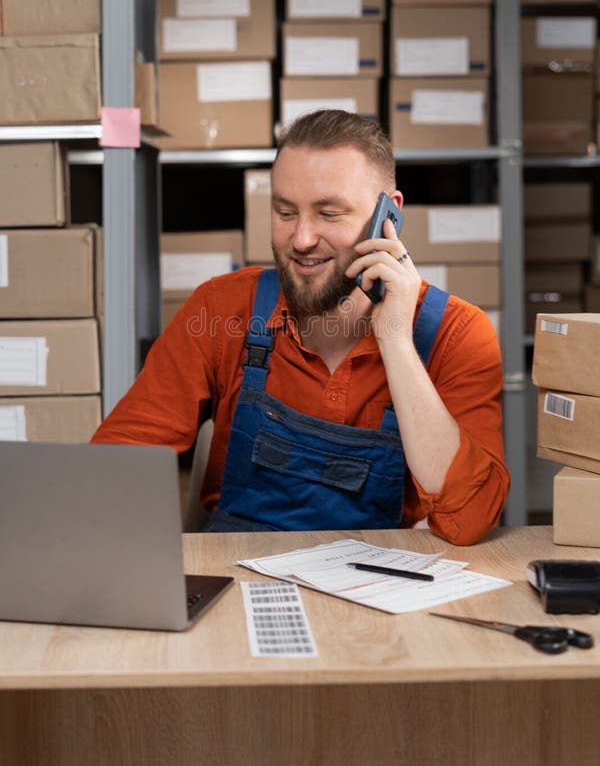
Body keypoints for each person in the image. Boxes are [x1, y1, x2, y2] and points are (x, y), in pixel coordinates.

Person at [92, 109, 509, 544]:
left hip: (381, 586)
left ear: (389, 216)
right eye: (285, 211)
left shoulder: (457, 333)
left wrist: (396, 341)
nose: (302, 239)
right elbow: (115, 470)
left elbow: (471, 520)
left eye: (329, 214)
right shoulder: (221, 309)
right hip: (241, 572)